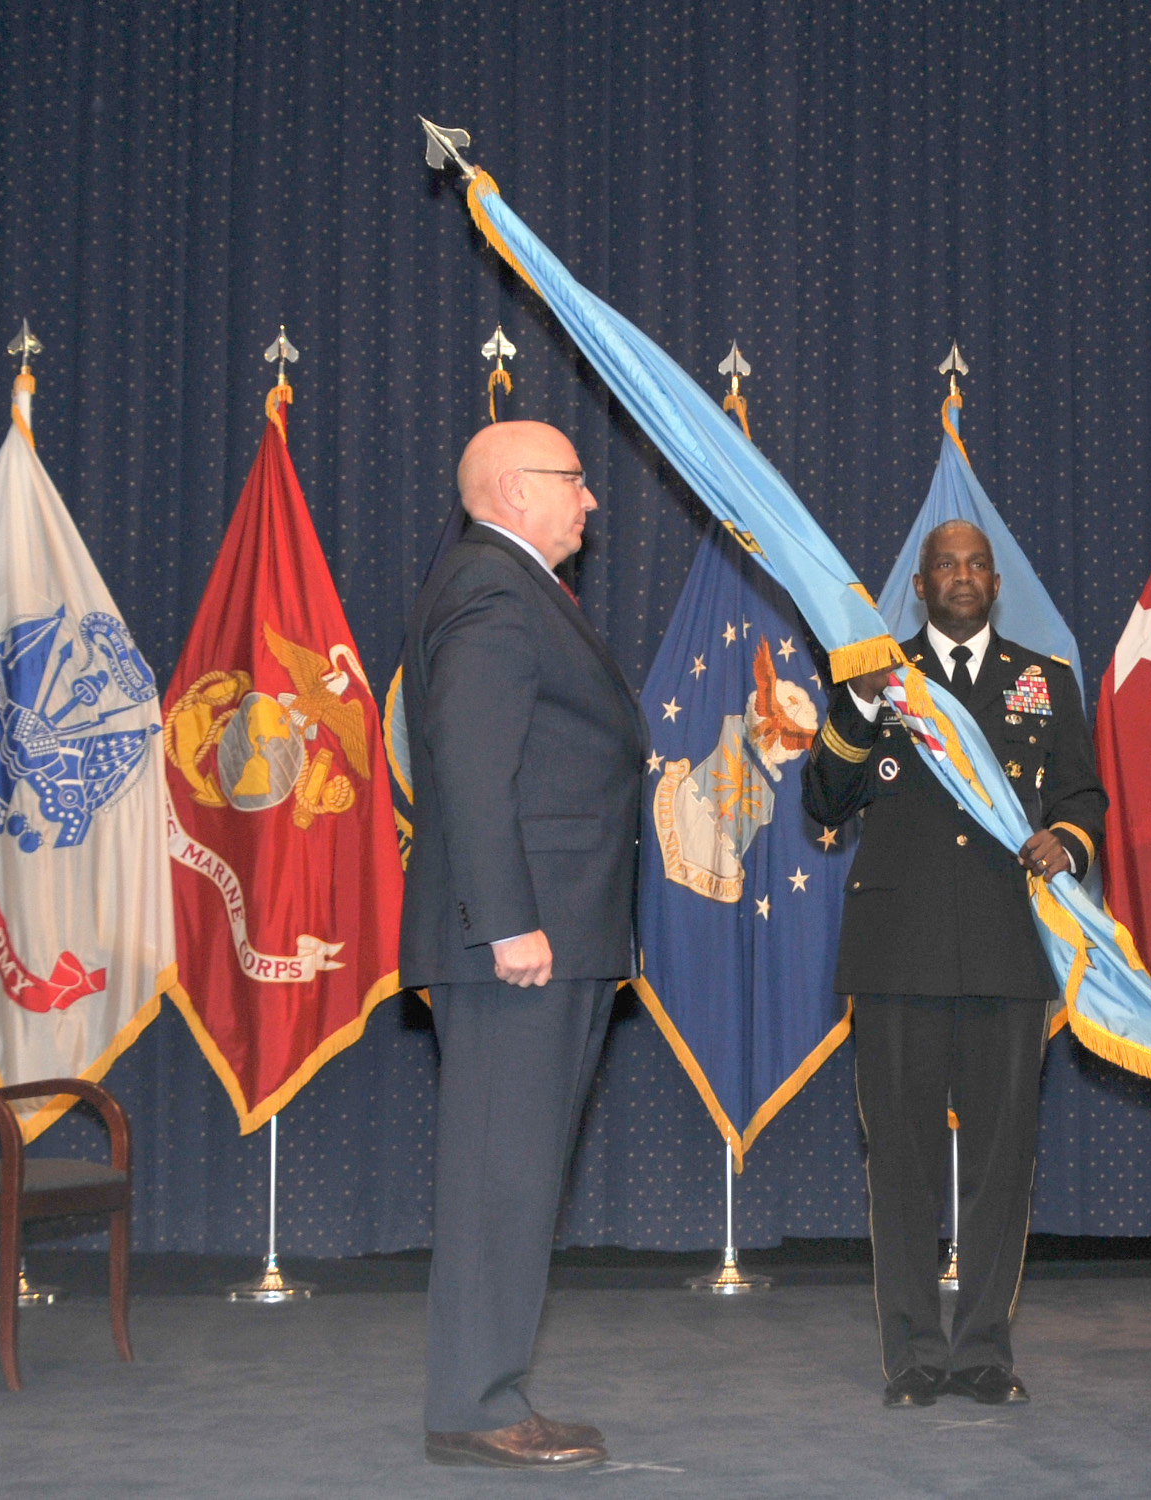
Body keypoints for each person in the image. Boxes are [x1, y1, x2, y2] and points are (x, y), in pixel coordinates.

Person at [803, 519, 1104, 1410]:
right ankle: (911, 1358)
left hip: (1009, 951)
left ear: (996, 583)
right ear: (922, 585)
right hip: (898, 953)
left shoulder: (1043, 683)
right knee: (900, 1166)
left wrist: (1071, 841)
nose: (962, 577)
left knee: (1002, 1165)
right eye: (946, 565)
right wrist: (856, 704)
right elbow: (823, 798)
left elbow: (1083, 793)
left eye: (976, 565)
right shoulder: (878, 678)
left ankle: (983, 1353)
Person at [400, 421, 647, 1469]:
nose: (592, 502)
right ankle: (473, 1405)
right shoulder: (493, 590)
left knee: (520, 1168)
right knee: (500, 1171)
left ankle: (489, 1388)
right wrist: (507, 921)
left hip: (554, 929)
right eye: (576, 482)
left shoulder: (513, 587)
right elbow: (468, 761)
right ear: (513, 490)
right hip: (518, 939)